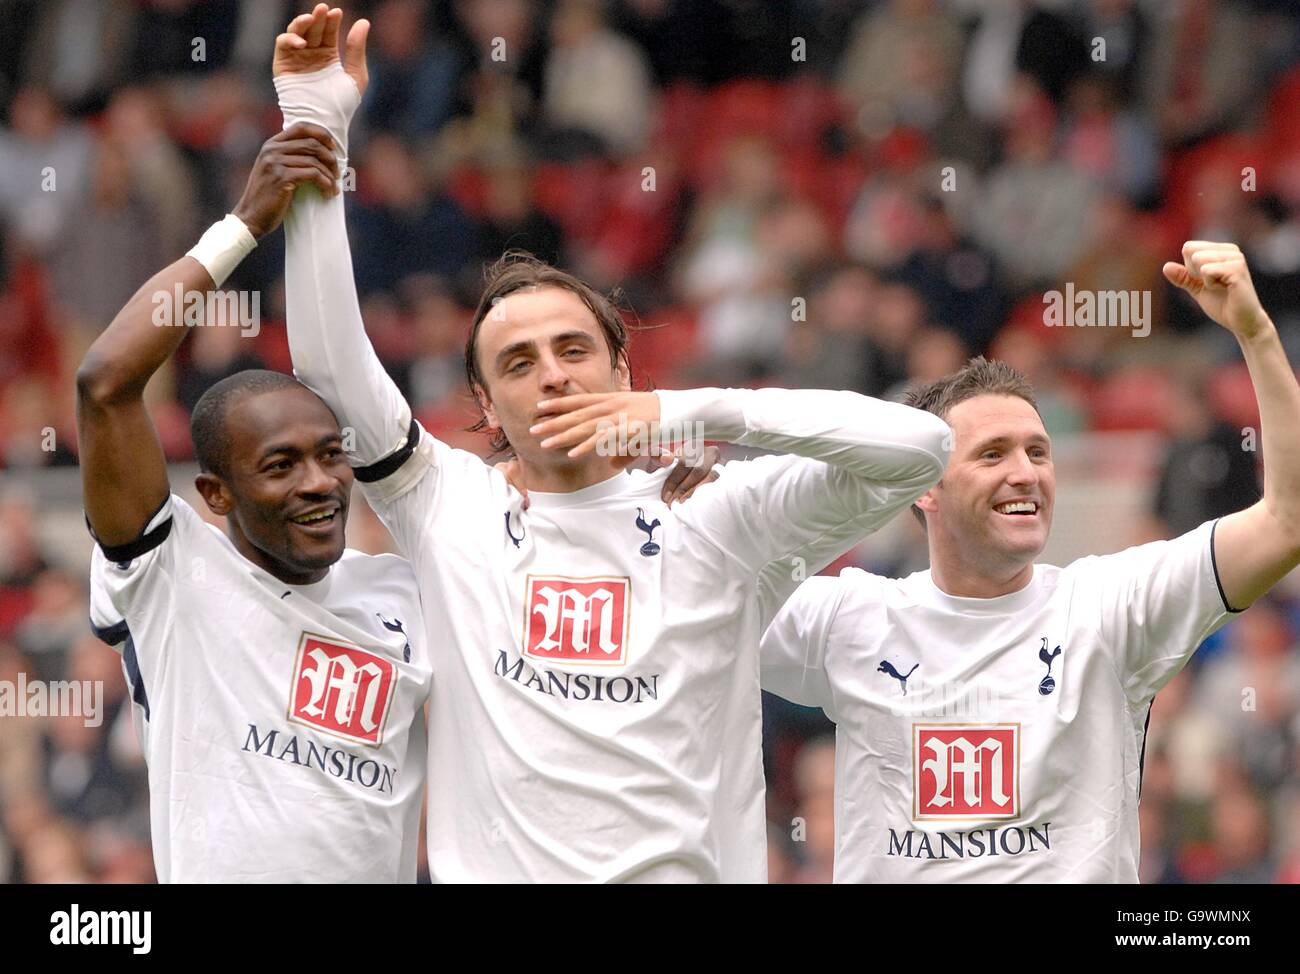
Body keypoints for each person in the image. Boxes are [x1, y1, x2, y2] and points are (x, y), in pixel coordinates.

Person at [270, 4, 951, 882]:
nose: (552, 375)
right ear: (486, 402)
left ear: (625, 370)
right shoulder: (447, 508)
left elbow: (921, 447)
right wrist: (316, 122)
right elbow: (329, 361)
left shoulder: (722, 515)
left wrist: (700, 415)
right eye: (518, 363)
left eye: (574, 350)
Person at [760, 242, 1300, 882]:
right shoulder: (846, 618)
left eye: (1037, 452)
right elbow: (685, 586)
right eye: (992, 454)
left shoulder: (1109, 607)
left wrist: (1256, 332)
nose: (1025, 474)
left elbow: (1286, 522)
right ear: (923, 487)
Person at [76, 123, 434, 882]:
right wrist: (242, 229)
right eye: (280, 465)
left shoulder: (404, 595)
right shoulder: (173, 574)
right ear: (214, 494)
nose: (318, 482)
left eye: (330, 454)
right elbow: (106, 382)